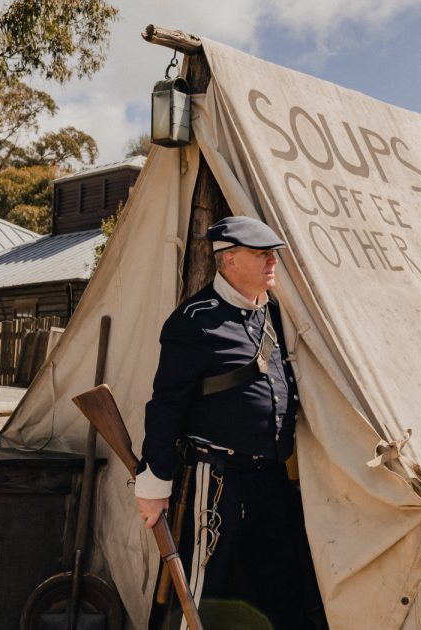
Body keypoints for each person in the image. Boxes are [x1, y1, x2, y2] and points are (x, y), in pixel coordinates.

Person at [135, 215, 320, 629]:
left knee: (285, 587)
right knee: (197, 590)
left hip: (271, 477)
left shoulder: (273, 314)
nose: (273, 262)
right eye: (262, 255)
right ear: (229, 260)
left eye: (272, 254)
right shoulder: (194, 321)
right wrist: (154, 482)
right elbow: (167, 405)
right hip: (217, 479)